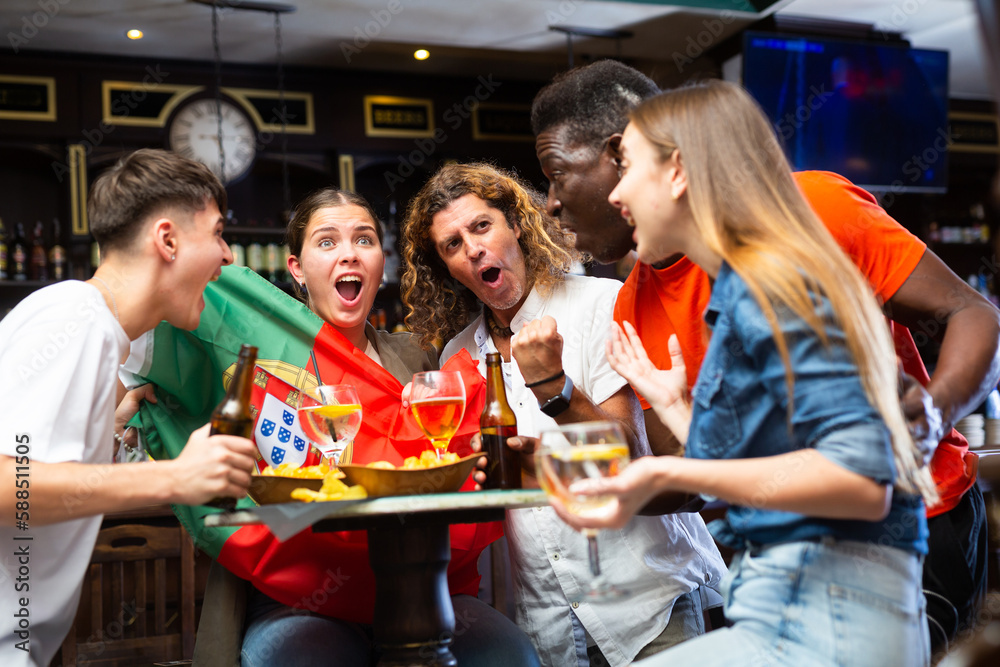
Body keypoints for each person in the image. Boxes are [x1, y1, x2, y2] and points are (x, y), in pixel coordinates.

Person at [532, 59, 1000, 651]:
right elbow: (725, 471)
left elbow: (968, 317)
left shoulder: (799, 241)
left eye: (557, 175)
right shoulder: (657, 302)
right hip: (788, 575)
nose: (549, 203)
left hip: (893, 547)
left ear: (653, 165)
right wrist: (671, 413)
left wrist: (931, 415)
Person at [190, 187, 540, 667]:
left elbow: (450, 464)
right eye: (328, 242)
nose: (349, 254)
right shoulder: (259, 365)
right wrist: (137, 398)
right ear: (296, 268)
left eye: (364, 239)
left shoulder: (420, 358)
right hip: (301, 595)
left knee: (509, 656)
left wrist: (477, 457)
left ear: (381, 261)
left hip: (418, 581)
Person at [400, 162, 727, 667]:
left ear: (517, 224)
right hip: (545, 620)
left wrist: (555, 387)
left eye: (482, 226)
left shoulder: (602, 305)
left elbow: (629, 455)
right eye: (452, 244)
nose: (472, 248)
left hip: (646, 601)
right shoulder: (458, 357)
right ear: (445, 266)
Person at [0, 148, 258, 667]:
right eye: (216, 232)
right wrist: (175, 477)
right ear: (167, 240)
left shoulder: (95, 330)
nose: (228, 256)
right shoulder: (75, 320)